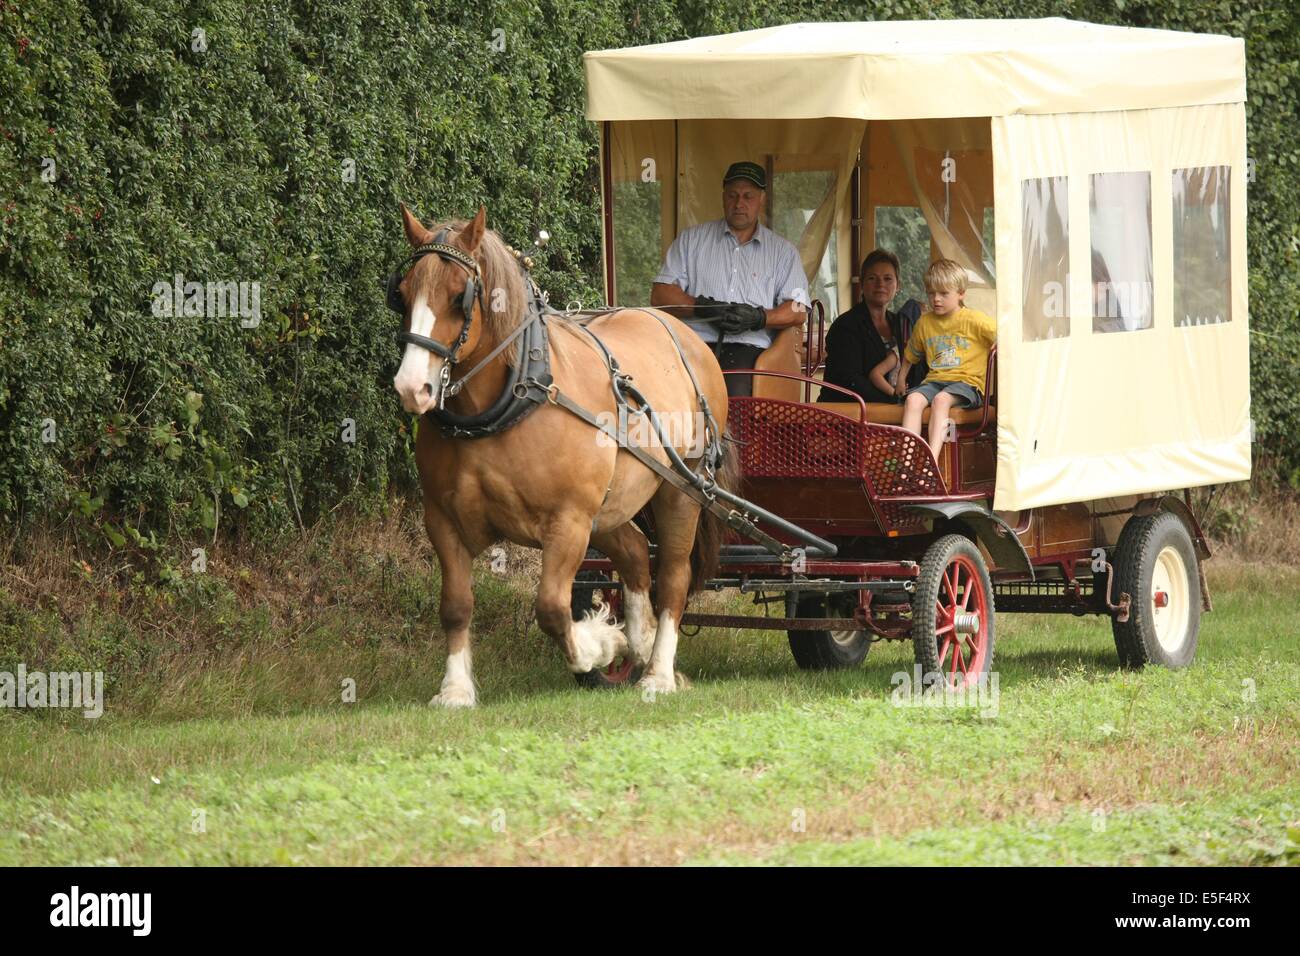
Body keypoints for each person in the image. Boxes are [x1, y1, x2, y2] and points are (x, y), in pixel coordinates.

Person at [650, 161, 810, 397]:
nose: (739, 204)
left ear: (761, 199)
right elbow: (660, 294)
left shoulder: (783, 252)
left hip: (750, 348)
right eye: (733, 195)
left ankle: (729, 436)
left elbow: (798, 309)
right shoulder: (691, 240)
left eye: (748, 196)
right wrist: (702, 307)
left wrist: (758, 317)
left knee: (732, 390)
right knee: (657, 389)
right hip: (693, 344)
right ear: (723, 196)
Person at [894, 259, 996, 461]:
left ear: (961, 293)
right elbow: (910, 354)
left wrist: (999, 343)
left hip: (968, 384)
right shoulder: (925, 322)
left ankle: (931, 460)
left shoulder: (974, 319)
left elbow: (1004, 335)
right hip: (935, 382)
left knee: (942, 400)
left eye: (943, 293)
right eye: (931, 293)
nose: (936, 299)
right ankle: (905, 464)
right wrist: (900, 378)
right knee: (913, 399)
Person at [819, 249, 923, 405]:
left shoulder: (901, 323)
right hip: (846, 414)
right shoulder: (846, 325)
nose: (880, 284)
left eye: (888, 278)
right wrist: (893, 401)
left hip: (891, 413)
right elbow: (850, 379)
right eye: (872, 278)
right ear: (861, 284)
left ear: (898, 285)